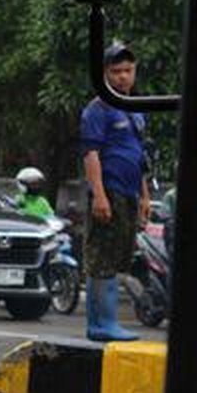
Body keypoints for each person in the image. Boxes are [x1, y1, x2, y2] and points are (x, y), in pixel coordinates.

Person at [80, 42, 147, 342]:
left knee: (118, 257)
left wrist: (145, 196)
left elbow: (139, 156)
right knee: (102, 258)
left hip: (131, 193)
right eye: (116, 71)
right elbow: (91, 154)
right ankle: (101, 324)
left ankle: (105, 323)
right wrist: (100, 195)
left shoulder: (135, 110)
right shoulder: (98, 109)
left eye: (128, 70)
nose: (123, 77)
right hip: (109, 192)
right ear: (105, 73)